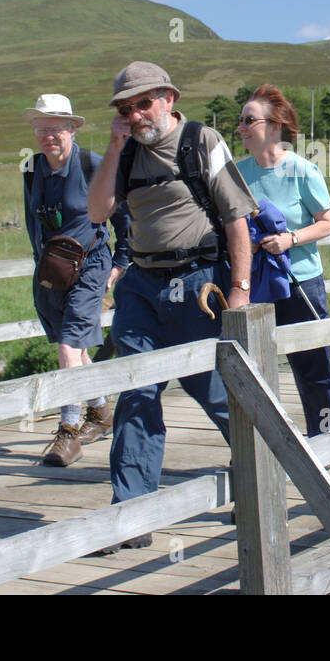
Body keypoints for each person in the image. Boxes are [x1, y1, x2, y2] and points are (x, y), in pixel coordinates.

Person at [86, 62, 256, 529]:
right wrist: (115, 144)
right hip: (141, 287)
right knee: (136, 391)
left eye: (144, 103)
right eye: (126, 108)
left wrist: (239, 293)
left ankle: (262, 478)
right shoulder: (124, 151)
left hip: (200, 282)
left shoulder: (202, 141)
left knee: (218, 393)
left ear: (169, 99)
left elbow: (236, 217)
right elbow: (99, 211)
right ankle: (132, 512)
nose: (137, 115)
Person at [235, 84, 330, 436]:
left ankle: (323, 440)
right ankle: (258, 447)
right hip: (253, 285)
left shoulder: (303, 170)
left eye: (249, 120)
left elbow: (328, 223)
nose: (241, 128)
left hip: (301, 282)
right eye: (241, 121)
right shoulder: (236, 174)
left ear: (275, 126)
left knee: (312, 367)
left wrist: (289, 239)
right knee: (254, 368)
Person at [21, 94, 115, 466]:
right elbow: (32, 221)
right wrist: (39, 265)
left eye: (56, 129)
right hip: (53, 269)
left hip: (91, 265)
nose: (48, 137)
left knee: (66, 349)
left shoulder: (93, 165)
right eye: (41, 129)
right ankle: (102, 411)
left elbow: (119, 218)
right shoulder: (31, 169)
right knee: (76, 350)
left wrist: (118, 264)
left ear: (72, 128)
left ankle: (69, 432)